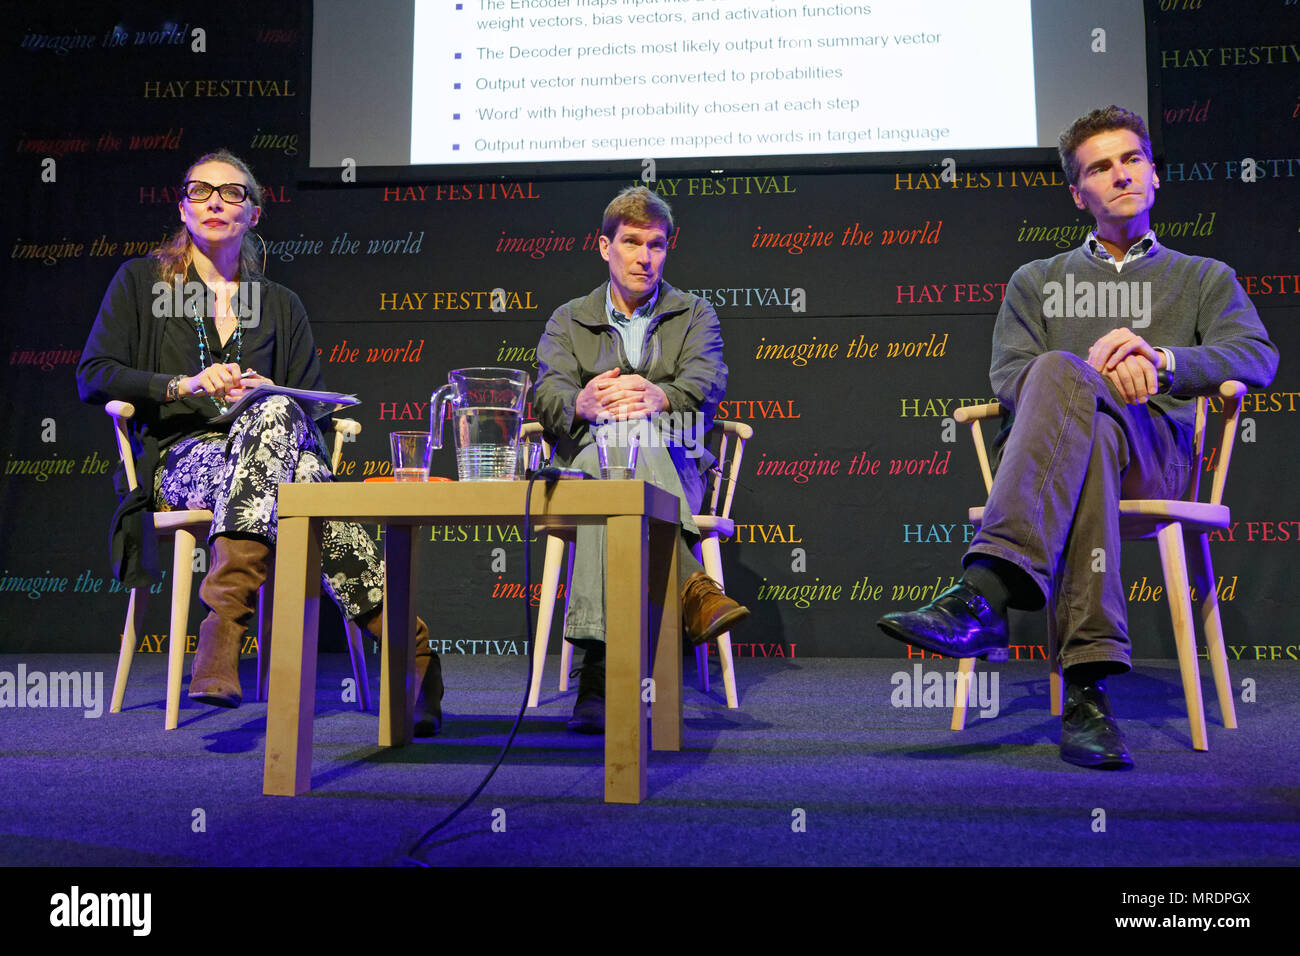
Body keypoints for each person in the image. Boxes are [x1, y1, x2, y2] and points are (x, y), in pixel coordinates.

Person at [876, 107, 1278, 768]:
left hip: (1156, 458)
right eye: (1100, 167)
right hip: (1057, 461)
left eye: (1131, 159)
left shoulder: (1204, 276)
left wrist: (1163, 360)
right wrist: (1088, 379)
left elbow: (1257, 359)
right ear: (1078, 193)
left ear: (1153, 173)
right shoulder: (1037, 281)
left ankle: (986, 592)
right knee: (1074, 413)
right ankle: (1089, 695)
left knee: (1073, 397)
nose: (1119, 174)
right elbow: (1009, 379)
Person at [76, 150, 444, 733]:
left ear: (253, 214)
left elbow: (316, 418)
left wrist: (274, 396)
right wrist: (184, 383)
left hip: (276, 462)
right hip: (184, 460)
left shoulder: (280, 304)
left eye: (232, 193)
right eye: (201, 191)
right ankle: (417, 658)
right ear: (182, 206)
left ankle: (223, 626)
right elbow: (94, 374)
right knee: (305, 489)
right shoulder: (143, 282)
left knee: (277, 416)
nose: (216, 201)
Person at [534, 186, 750, 733]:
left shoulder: (696, 314)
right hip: (589, 460)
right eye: (630, 242)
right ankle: (693, 588)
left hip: (675, 462)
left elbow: (706, 382)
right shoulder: (568, 319)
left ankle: (597, 674)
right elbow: (546, 395)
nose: (643, 257)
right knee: (609, 463)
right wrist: (578, 402)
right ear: (604, 247)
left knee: (631, 447)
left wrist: (662, 398)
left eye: (656, 245)